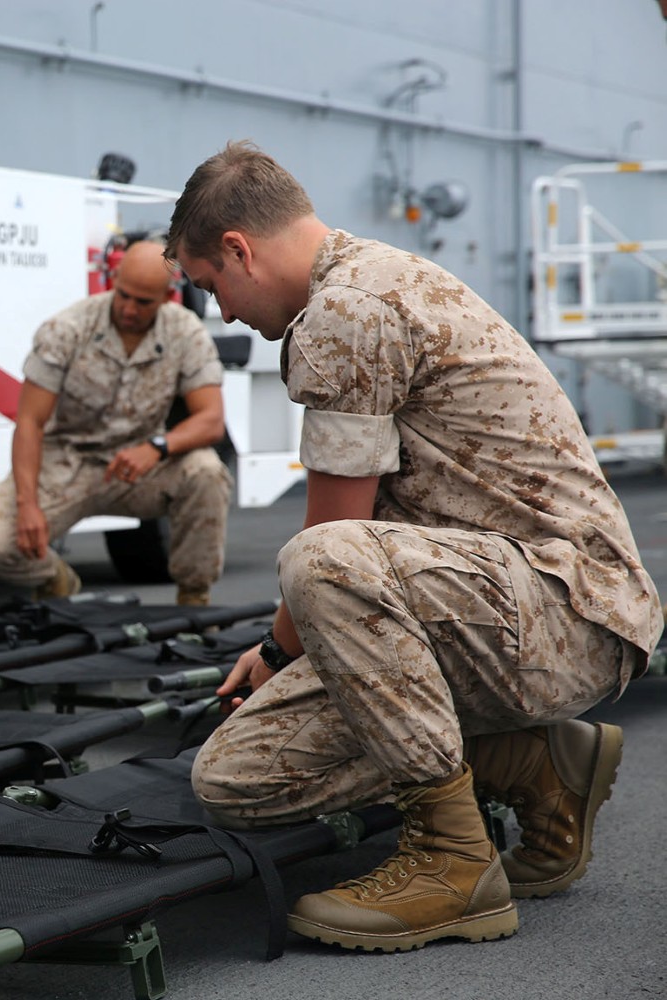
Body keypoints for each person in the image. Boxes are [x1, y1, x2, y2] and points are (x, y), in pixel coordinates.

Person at [167, 141, 662, 952]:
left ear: (238, 249)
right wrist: (278, 654)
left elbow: (332, 542)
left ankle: (452, 861)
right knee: (237, 779)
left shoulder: (346, 311)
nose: (221, 312)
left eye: (211, 285)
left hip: (563, 609)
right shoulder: (371, 277)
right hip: (499, 605)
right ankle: (532, 763)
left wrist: (277, 650)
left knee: (319, 560)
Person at [0, 240, 233, 605]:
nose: (129, 309)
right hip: (64, 462)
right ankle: (56, 579)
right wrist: (27, 505)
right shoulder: (67, 329)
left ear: (167, 297)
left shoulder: (185, 332)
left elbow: (211, 420)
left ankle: (194, 599)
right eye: (123, 295)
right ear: (113, 280)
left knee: (206, 472)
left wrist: (157, 447)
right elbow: (29, 422)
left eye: (143, 302)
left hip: (136, 467)